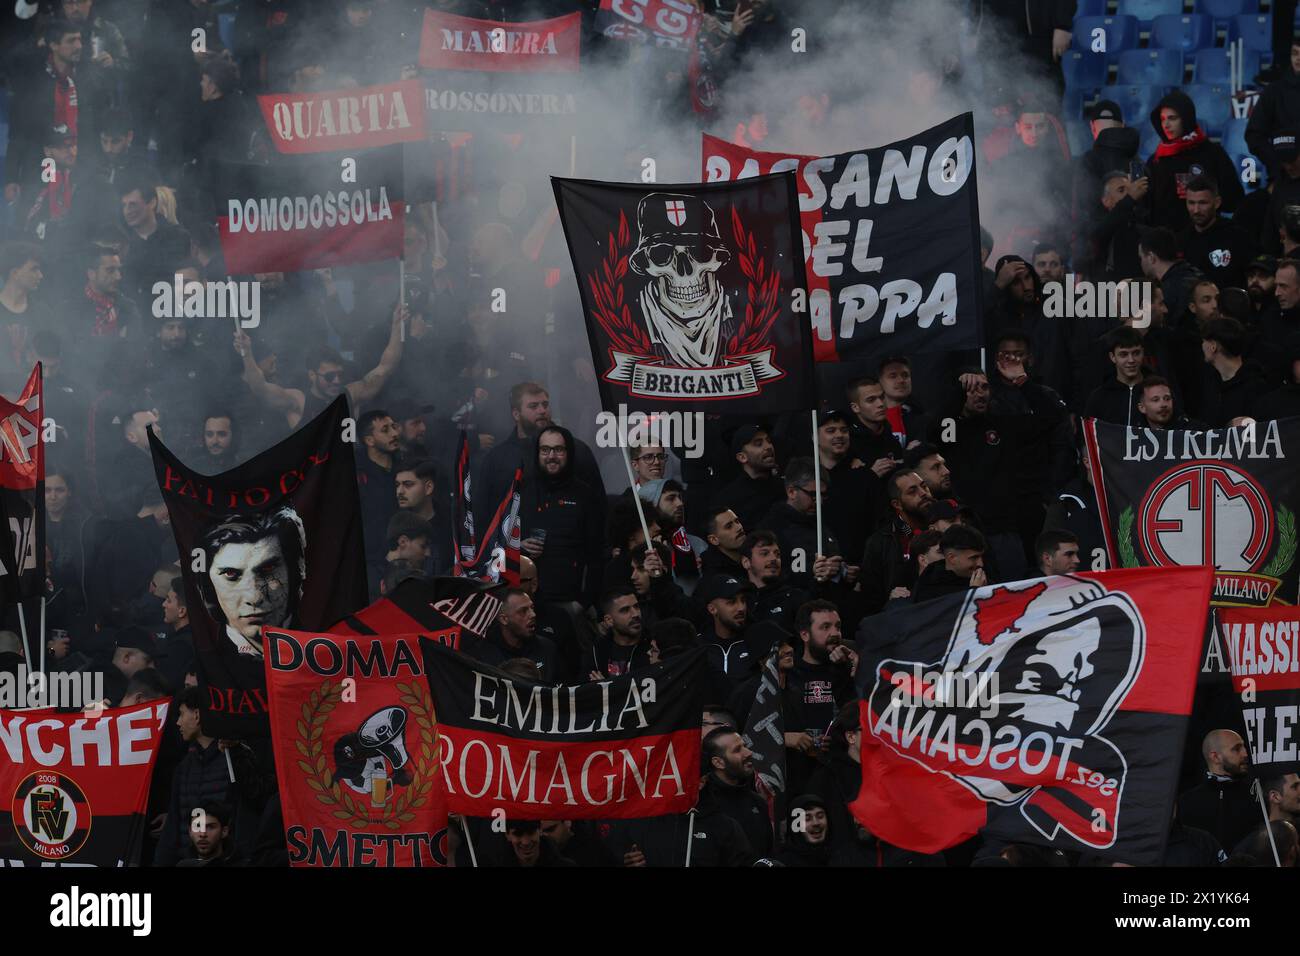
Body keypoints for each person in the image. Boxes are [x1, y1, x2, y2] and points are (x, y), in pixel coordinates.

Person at [235, 306, 407, 430]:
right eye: (330, 376)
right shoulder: (298, 402)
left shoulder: (351, 395)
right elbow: (260, 388)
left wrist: (397, 328)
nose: (337, 381)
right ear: (312, 375)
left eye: (340, 374)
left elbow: (386, 367)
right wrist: (247, 354)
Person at [154, 687, 267, 867]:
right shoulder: (183, 768)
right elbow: (173, 828)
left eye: (181, 714)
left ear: (197, 715)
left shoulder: (235, 760)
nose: (177, 722)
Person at [197, 506, 305, 656]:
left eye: (268, 570)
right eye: (230, 574)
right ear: (208, 584)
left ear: (296, 570)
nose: (254, 597)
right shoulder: (205, 658)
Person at [521, 425, 605, 609]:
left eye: (558, 449)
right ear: (537, 453)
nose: (551, 456)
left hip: (570, 600)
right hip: (526, 601)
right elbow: (498, 543)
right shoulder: (521, 491)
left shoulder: (585, 495)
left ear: (569, 453)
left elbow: (597, 554)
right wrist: (519, 547)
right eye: (545, 450)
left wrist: (585, 602)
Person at [783, 600, 855, 797]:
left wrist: (854, 669)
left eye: (838, 626)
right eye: (825, 627)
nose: (835, 633)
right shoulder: (788, 673)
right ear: (805, 634)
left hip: (842, 775)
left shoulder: (849, 666)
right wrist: (790, 738)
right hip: (798, 778)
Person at [1146, 91, 1243, 232]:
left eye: (1172, 118)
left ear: (1186, 118)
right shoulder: (1156, 159)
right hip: (1166, 242)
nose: (1166, 124)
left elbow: (1233, 198)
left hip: (1205, 236)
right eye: (1162, 119)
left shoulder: (1212, 153)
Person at [757, 457, 850, 594]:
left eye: (822, 496)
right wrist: (811, 572)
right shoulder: (771, 529)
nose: (819, 502)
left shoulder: (824, 524)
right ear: (791, 492)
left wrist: (843, 573)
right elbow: (767, 577)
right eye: (813, 495)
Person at [859, 468, 934, 614]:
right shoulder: (881, 542)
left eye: (924, 486)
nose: (923, 493)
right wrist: (888, 598)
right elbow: (869, 596)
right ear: (897, 505)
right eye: (912, 491)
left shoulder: (946, 525)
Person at [1177, 729, 1259, 853]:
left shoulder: (1257, 798)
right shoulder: (1186, 802)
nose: (1245, 754)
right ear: (1215, 757)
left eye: (1244, 747)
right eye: (1237, 749)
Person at [813, 408, 877, 561]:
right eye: (831, 430)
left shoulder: (864, 477)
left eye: (843, 430)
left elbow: (877, 526)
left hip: (858, 568)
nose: (839, 435)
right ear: (814, 436)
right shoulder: (806, 480)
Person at [699, 727, 773, 858]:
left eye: (744, 746)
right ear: (718, 762)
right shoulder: (702, 804)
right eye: (737, 750)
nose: (748, 752)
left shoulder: (757, 803)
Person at [1179, 175, 1255, 291]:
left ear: (1217, 202)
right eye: (1191, 203)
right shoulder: (1181, 239)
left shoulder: (1237, 237)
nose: (1196, 210)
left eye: (1203, 203)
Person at [1200, 317, 1272, 427]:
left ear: (1213, 346)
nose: (1202, 346)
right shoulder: (1212, 383)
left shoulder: (1255, 388)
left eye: (1204, 341)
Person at [712, 424, 783, 532]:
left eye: (769, 441)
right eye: (758, 444)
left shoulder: (784, 487)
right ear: (742, 457)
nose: (768, 446)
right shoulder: (729, 498)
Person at [697, 574, 757, 702]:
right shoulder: (698, 646)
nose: (741, 608)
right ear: (712, 609)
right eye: (732, 602)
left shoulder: (755, 642)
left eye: (743, 600)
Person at [740, 530, 809, 631]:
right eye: (764, 553)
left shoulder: (795, 598)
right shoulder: (739, 600)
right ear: (746, 562)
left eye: (777, 554)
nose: (773, 558)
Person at [488, 588, 559, 682]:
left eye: (532, 608)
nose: (533, 614)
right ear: (504, 619)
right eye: (523, 611)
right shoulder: (485, 656)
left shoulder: (547, 648)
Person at [1084, 327, 1147, 428]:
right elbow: (1090, 437)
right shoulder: (1099, 397)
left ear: (1143, 353)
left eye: (1136, 353)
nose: (1131, 360)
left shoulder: (1159, 391)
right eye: (1123, 354)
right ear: (1112, 357)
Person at [586, 586, 651, 679]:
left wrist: (607, 688)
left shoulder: (653, 646)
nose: (635, 614)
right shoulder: (597, 650)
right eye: (625, 610)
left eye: (636, 607)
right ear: (609, 620)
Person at [912, 525, 988, 602]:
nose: (981, 564)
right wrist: (975, 592)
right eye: (974, 557)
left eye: (982, 556)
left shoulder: (980, 579)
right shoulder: (929, 591)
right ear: (952, 558)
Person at [845, 377, 904, 474]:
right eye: (871, 400)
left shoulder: (891, 440)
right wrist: (871, 474)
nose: (880, 404)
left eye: (882, 397)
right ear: (855, 407)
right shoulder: (847, 443)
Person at [177, 802, 244, 867]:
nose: (203, 834)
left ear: (224, 831)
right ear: (190, 831)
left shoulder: (242, 863)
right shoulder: (180, 862)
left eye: (210, 827)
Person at [158, 575, 195, 690]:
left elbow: (166, 687)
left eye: (168, 600)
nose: (163, 604)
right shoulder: (196, 638)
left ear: (182, 611)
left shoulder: (181, 646)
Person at [701, 506, 747, 579]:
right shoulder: (714, 574)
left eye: (737, 521)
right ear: (714, 540)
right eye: (729, 526)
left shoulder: (754, 552)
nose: (739, 527)